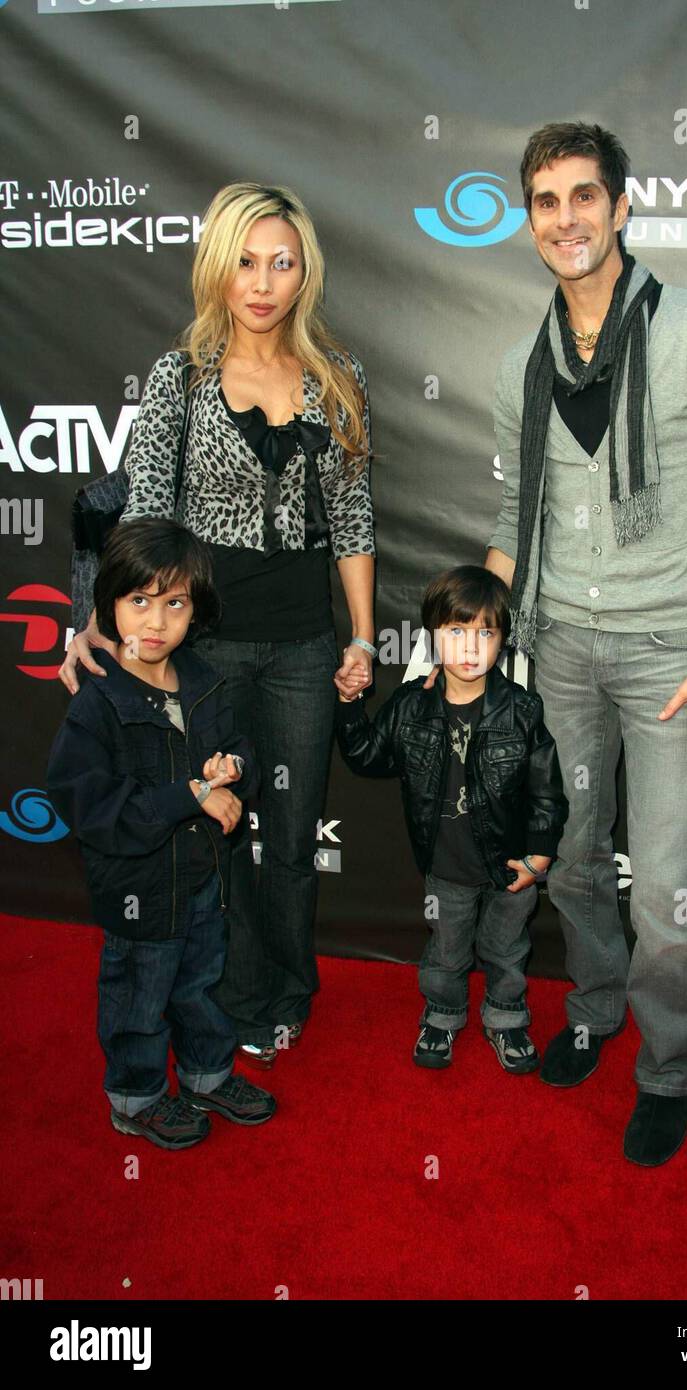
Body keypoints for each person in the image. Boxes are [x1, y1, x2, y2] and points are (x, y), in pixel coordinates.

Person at [485, 122, 687, 1164]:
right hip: (555, 646)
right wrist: (479, 632)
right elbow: (520, 505)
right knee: (568, 861)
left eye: (582, 196)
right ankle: (594, 1009)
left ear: (618, 207)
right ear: (528, 221)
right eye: (543, 201)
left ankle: (664, 1068)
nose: (564, 218)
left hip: (667, 657)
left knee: (659, 886)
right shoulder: (527, 357)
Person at [59, 182, 377, 1069]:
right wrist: (103, 619)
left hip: (304, 650)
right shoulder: (182, 376)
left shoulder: (336, 378)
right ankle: (226, 996)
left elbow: (352, 522)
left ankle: (287, 991)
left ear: (304, 270)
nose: (263, 281)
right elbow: (142, 516)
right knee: (215, 827)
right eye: (245, 260)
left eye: (281, 261)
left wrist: (360, 639)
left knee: (291, 831)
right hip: (201, 651)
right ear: (217, 266)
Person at [46, 519, 276, 1149]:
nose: (155, 621)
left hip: (202, 880)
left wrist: (233, 769)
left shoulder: (202, 682)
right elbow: (91, 806)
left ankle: (207, 1074)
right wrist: (192, 795)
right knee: (139, 1000)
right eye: (138, 601)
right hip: (137, 889)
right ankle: (136, 1096)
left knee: (200, 985)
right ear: (108, 605)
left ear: (194, 610)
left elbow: (238, 751)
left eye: (173, 603)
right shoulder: (98, 700)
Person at [335, 565, 568, 1072]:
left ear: (503, 640)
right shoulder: (410, 706)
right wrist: (350, 703)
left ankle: (505, 1017)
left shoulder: (522, 711)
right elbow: (366, 758)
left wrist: (538, 857)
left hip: (511, 869)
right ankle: (442, 1014)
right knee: (446, 951)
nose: (469, 646)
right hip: (444, 867)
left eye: (484, 632)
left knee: (507, 951)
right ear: (433, 635)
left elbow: (547, 792)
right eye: (456, 631)